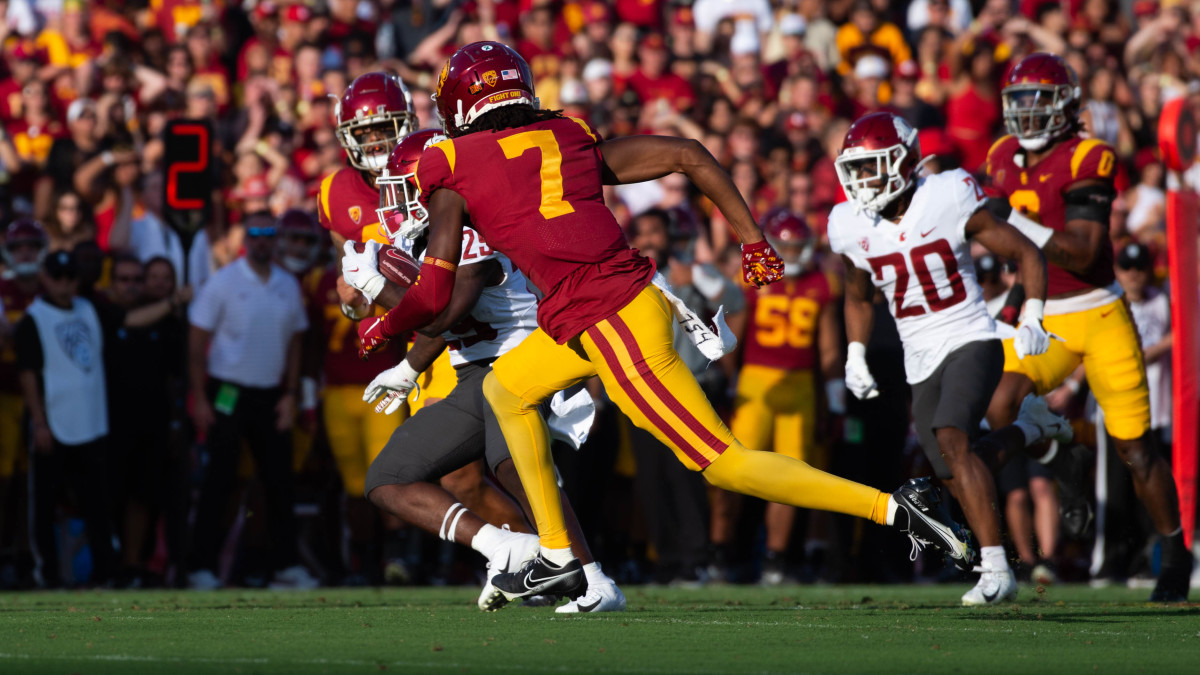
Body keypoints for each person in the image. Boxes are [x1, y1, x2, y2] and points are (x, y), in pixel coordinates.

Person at [358, 42, 973, 601]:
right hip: (595, 311)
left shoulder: (453, 162)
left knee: (723, 462)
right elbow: (686, 153)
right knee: (505, 388)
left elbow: (435, 290)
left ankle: (897, 508)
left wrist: (384, 330)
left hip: (610, 317)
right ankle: (557, 554)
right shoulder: (565, 135)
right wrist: (751, 241)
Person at [346, 131, 625, 612]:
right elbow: (445, 324)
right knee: (389, 478)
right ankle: (505, 548)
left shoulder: (473, 227)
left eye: (403, 186)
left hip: (521, 361)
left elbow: (442, 314)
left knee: (512, 463)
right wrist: (411, 367)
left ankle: (594, 579)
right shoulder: (427, 237)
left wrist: (374, 285)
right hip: (476, 372)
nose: (395, 200)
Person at [828, 111, 1066, 605]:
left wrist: (1033, 315)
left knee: (954, 438)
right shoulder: (850, 225)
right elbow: (857, 295)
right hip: (919, 355)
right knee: (953, 470)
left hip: (970, 335)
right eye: (858, 169)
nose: (864, 180)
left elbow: (1027, 253)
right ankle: (1029, 429)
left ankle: (996, 568)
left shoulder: (946, 194)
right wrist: (854, 353)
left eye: (873, 166)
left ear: (904, 161)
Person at [983, 53, 1193, 602]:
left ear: (1067, 105)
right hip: (1041, 311)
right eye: (1019, 100)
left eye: (1039, 99)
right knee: (999, 403)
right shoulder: (1001, 156)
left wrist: (1010, 219)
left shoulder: (1089, 156)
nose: (1027, 112)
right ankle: (1064, 459)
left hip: (1099, 312)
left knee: (1135, 449)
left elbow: (1082, 252)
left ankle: (1175, 548)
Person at [186, 213, 316, 590]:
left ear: (275, 239)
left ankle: (286, 566)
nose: (261, 241)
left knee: (279, 482)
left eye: (268, 234)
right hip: (227, 391)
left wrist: (290, 394)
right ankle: (202, 567)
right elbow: (196, 342)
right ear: (246, 238)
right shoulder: (223, 282)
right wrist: (199, 397)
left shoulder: (287, 285)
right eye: (255, 234)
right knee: (219, 480)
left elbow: (295, 342)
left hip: (270, 395)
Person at [726, 210, 840, 584]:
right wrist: (728, 384)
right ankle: (723, 554)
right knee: (730, 471)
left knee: (789, 477)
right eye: (785, 245)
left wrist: (835, 403)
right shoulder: (754, 278)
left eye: (796, 246)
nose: (791, 252)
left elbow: (829, 352)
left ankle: (774, 561)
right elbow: (733, 339)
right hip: (756, 382)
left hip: (802, 385)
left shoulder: (822, 283)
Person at [15, 250, 116, 587]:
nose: (63, 283)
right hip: (54, 424)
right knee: (43, 506)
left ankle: (105, 573)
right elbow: (28, 374)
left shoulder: (89, 308)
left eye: (70, 277)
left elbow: (128, 320)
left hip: (91, 423)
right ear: (45, 277)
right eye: (57, 276)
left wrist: (173, 301)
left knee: (99, 504)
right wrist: (39, 423)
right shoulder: (34, 318)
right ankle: (48, 573)